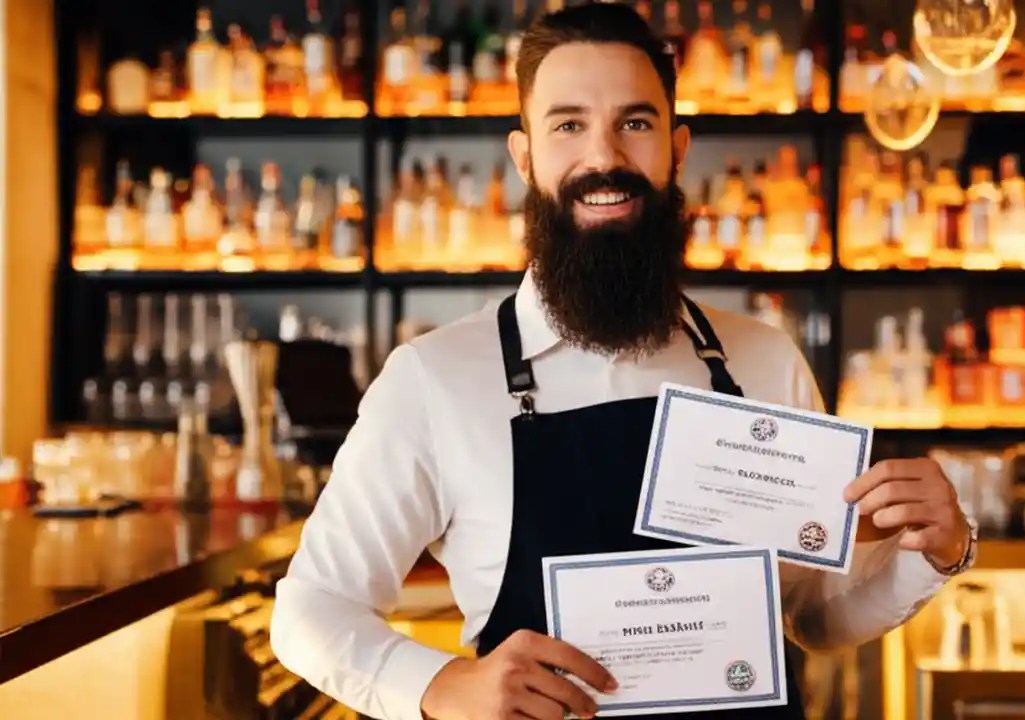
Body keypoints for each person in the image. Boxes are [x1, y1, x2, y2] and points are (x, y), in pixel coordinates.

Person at [270, 4, 976, 720]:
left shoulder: (764, 362)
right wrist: (441, 686)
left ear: (677, 148)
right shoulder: (434, 380)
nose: (603, 157)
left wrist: (931, 552)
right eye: (568, 124)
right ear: (524, 157)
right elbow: (311, 609)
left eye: (635, 123)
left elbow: (810, 614)